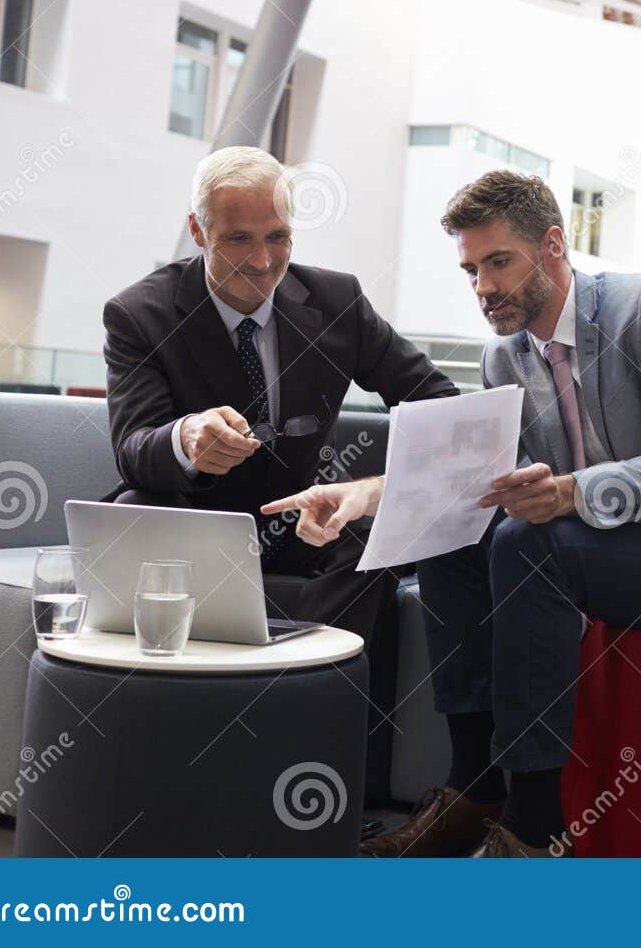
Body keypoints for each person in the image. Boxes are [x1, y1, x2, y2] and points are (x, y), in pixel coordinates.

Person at [264, 169, 641, 857]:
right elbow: (477, 478)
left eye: (499, 262)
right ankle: (474, 788)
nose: (484, 287)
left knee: (528, 543)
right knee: (455, 530)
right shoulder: (505, 356)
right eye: (472, 269)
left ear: (553, 245)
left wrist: (566, 492)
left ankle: (534, 828)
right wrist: (362, 493)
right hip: (614, 552)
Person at [101, 146, 458, 802]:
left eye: (278, 237)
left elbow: (437, 404)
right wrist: (185, 438)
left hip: (295, 517)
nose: (263, 261)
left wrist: (372, 490)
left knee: (372, 537)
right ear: (199, 230)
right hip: (195, 517)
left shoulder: (337, 301)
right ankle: (167, 764)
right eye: (239, 238)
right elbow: (133, 446)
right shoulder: (140, 313)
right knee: (135, 506)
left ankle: (304, 730)